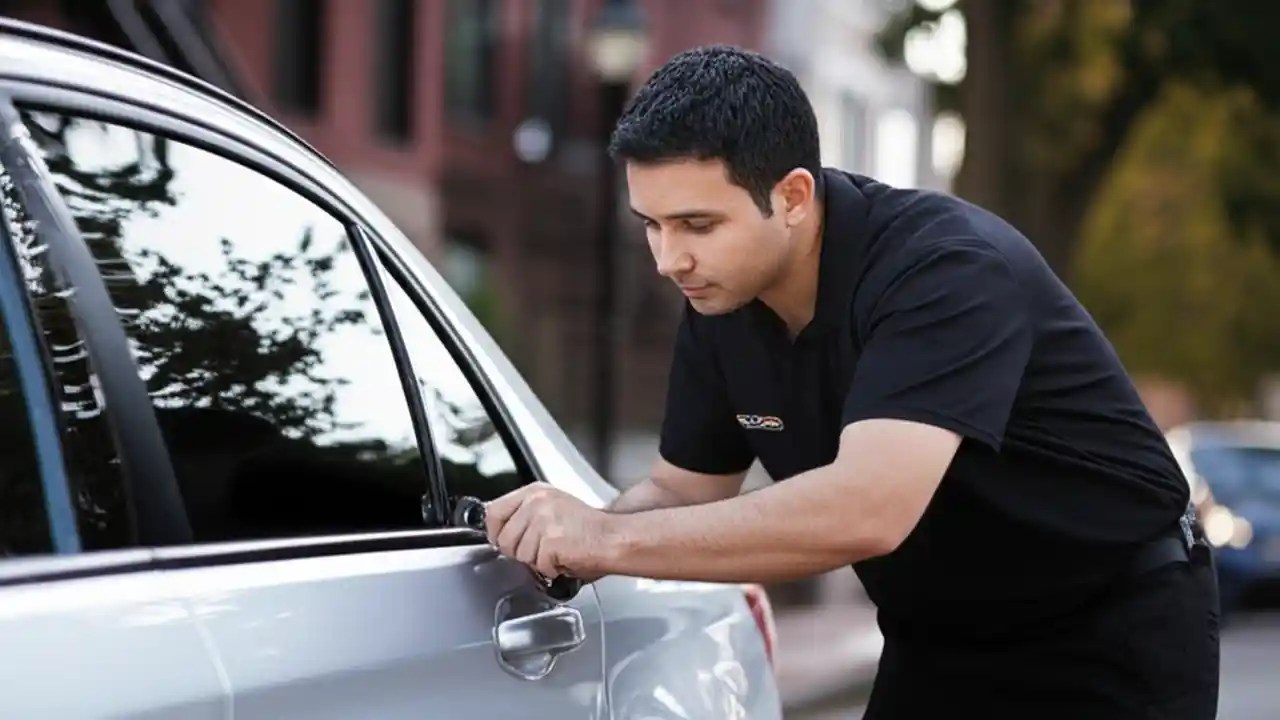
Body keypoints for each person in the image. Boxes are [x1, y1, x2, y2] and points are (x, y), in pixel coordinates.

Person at [483, 45, 1219, 717]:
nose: (668, 260)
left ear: (795, 197)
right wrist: (561, 535)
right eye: (652, 224)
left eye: (698, 225)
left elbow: (866, 511)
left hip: (1109, 625)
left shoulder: (945, 269)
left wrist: (605, 543)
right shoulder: (721, 301)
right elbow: (680, 493)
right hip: (939, 639)